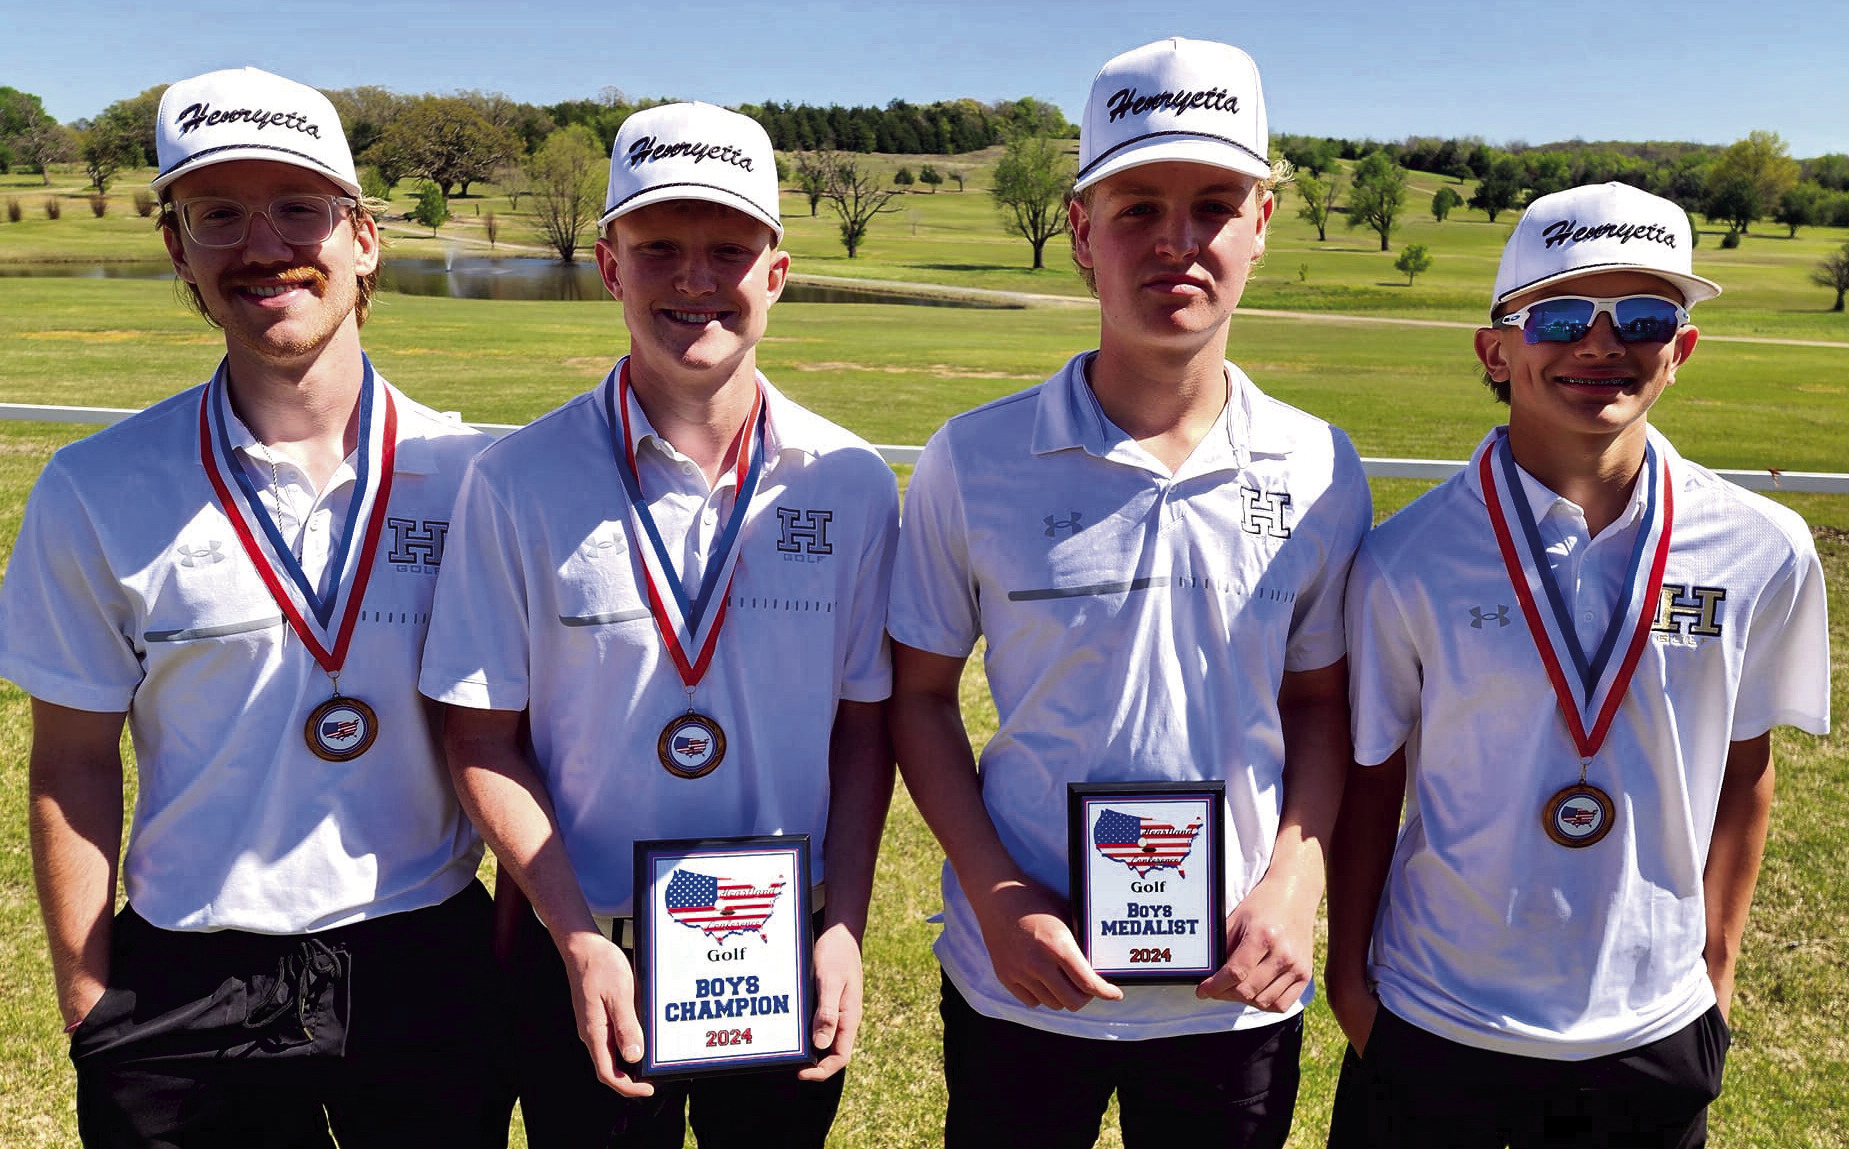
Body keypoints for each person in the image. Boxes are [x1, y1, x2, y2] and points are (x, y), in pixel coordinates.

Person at [0, 67, 505, 1147]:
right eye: (217, 214)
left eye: (299, 208)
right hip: (186, 971)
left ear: (362, 237)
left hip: (424, 955)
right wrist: (93, 1001)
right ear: (177, 250)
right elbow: (74, 760)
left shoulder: (479, 478)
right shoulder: (95, 487)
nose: (263, 244)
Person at [887, 38, 1370, 1149]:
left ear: (1261, 223)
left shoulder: (1317, 465)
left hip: (1231, 985)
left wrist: (1295, 885)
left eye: (1212, 204)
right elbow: (918, 697)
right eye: (1136, 205)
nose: (1175, 241)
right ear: (1078, 229)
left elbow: (1318, 704)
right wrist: (1000, 899)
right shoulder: (975, 458)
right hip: (1024, 979)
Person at [418, 101, 898, 1148]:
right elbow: (482, 735)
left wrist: (846, 926)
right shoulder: (518, 479)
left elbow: (865, 725)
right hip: (583, 949)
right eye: (658, 248)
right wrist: (576, 939)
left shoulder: (853, 482)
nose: (692, 279)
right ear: (608, 265)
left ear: (776, 271)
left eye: (728, 248)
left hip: (779, 942)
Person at [1325, 182, 1832, 1148]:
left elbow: (1743, 769)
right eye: (1560, 315)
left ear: (1680, 350)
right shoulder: (1405, 556)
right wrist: (1352, 984)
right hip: (1436, 1018)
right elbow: (1370, 776)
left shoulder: (1763, 545)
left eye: (1644, 317)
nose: (1602, 346)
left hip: (1653, 1027)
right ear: (1496, 348)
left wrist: (1715, 974)